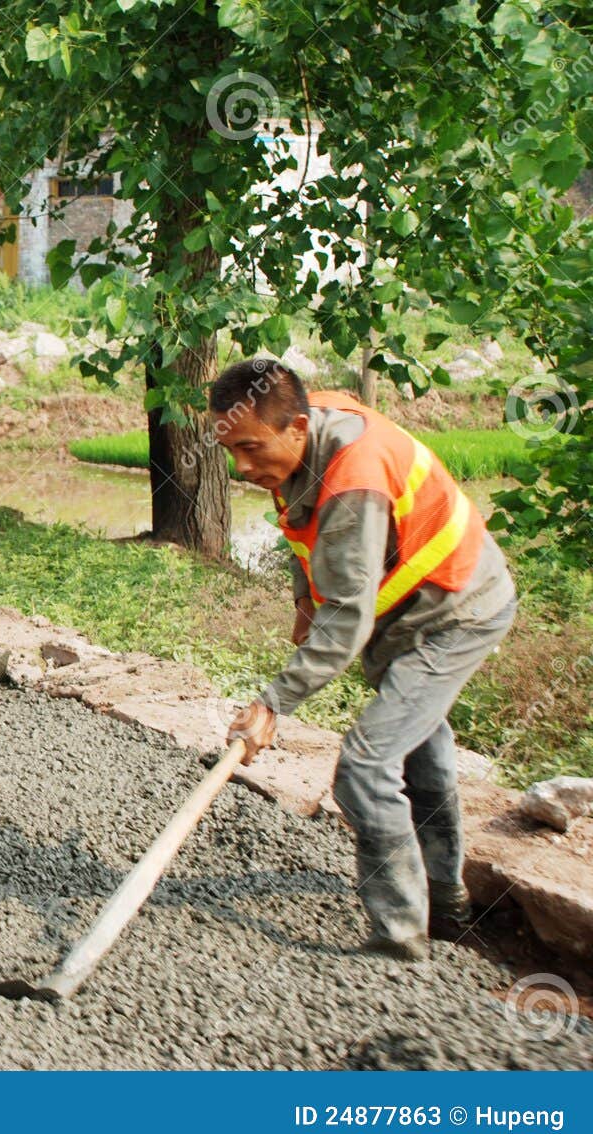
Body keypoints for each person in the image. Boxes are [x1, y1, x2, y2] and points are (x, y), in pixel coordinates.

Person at [213, 359, 516, 962]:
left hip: (454, 613)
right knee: (419, 761)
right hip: (401, 613)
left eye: (250, 449)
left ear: (298, 425)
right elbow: (303, 527)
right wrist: (304, 598)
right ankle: (445, 903)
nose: (241, 466)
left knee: (365, 764)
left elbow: (347, 617)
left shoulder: (355, 476)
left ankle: (401, 937)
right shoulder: (296, 437)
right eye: (231, 448)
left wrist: (273, 704)